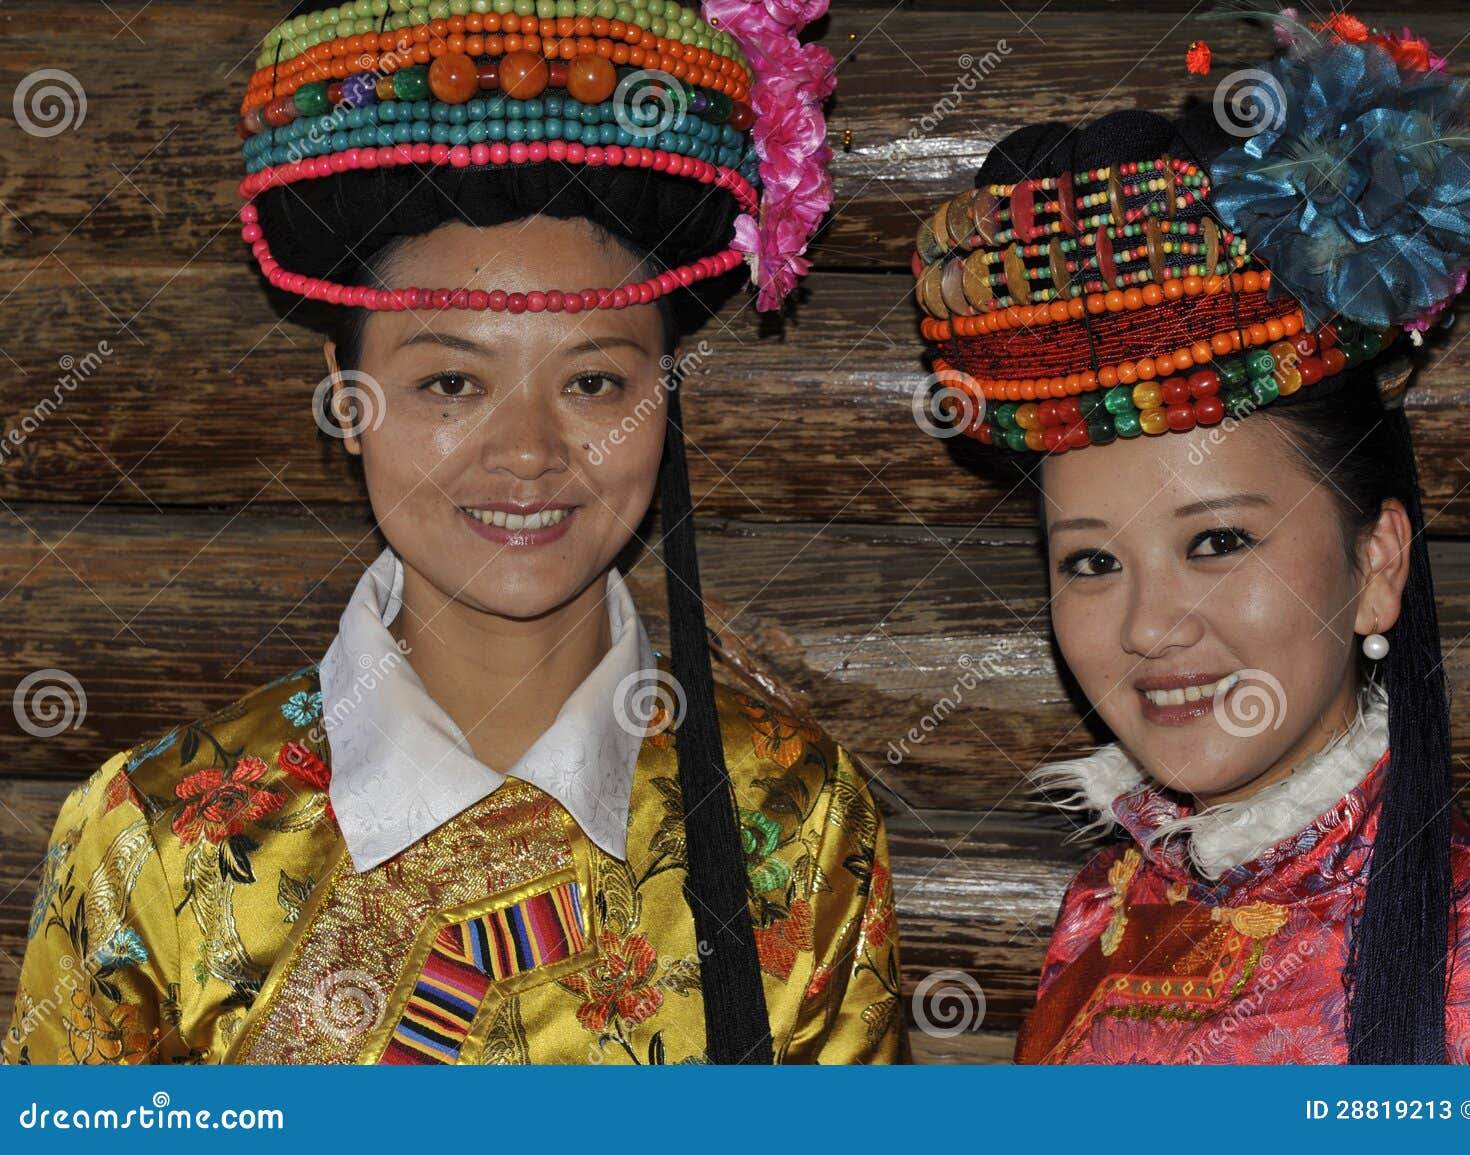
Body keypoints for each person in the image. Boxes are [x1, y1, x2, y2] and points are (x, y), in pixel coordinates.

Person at [4, 0, 906, 1066]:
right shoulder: (151, 839)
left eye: (592, 382)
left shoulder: (798, 822)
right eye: (449, 383)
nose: (526, 452)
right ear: (346, 398)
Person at [906, 11, 1470, 1063]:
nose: (1148, 628)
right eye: (1091, 561)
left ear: (1377, 564)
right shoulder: (1102, 912)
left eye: (1218, 542)